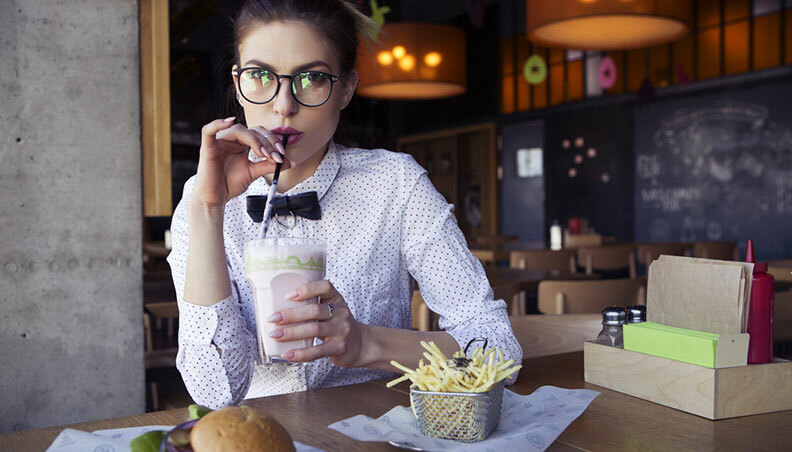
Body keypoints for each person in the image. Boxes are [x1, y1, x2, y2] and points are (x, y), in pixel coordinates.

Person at [167, 0, 522, 409]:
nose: (284, 105)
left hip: (377, 435)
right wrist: (208, 210)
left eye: (313, 78)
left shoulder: (396, 185)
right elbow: (214, 391)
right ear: (237, 81)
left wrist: (366, 342)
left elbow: (500, 353)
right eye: (261, 75)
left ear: (347, 88)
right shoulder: (202, 201)